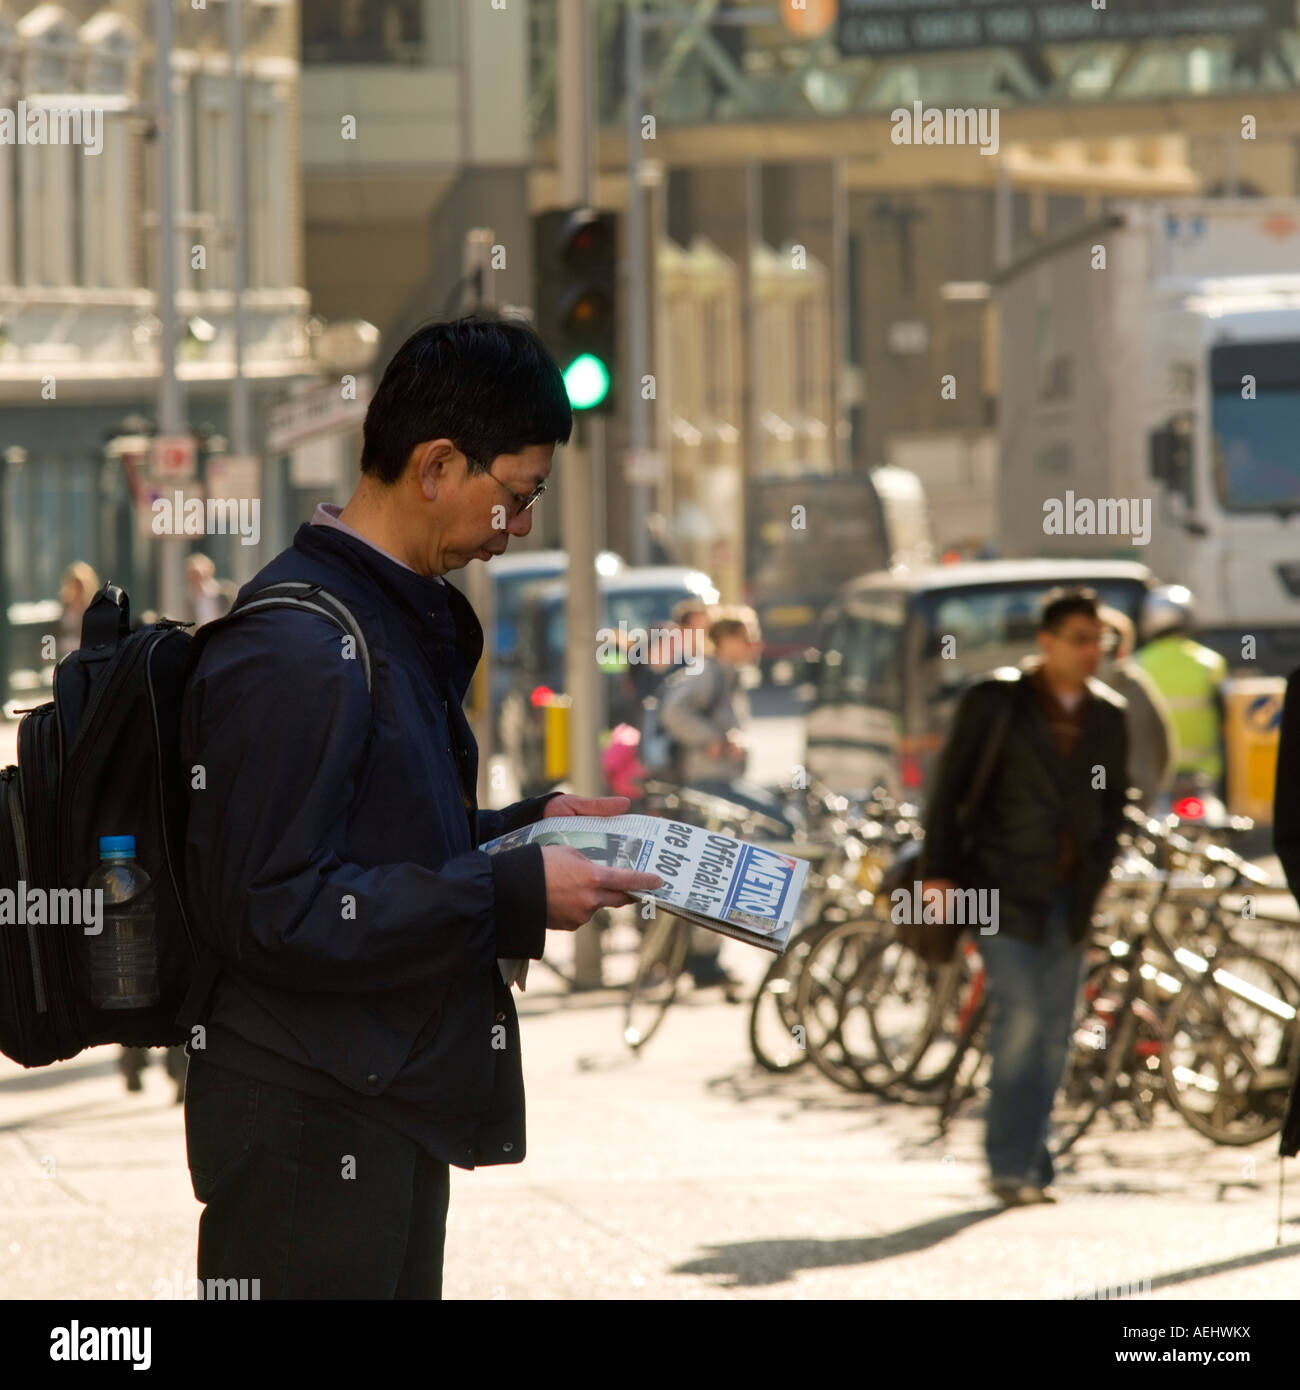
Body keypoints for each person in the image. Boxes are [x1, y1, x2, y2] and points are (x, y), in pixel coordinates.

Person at [178, 313, 664, 1299]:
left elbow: (390, 845)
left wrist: (529, 826)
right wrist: (510, 893)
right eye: (516, 496)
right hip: (306, 1125)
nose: (520, 527)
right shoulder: (301, 648)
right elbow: (276, 906)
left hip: (378, 1096)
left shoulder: (393, 617)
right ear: (438, 465)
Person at [918, 587, 1128, 1206]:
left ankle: (1034, 1159)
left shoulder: (1108, 715)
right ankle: (1009, 1162)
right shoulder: (998, 700)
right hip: (996, 886)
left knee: (1057, 1031)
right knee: (1023, 1018)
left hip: (1071, 893)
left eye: (1101, 641)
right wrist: (938, 872)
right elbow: (949, 788)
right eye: (1080, 640)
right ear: (1047, 641)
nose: (1093, 652)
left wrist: (1101, 867)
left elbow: (1114, 804)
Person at [1133, 585, 1226, 802]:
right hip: (1203, 774)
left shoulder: (1139, 663)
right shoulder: (1211, 663)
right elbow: (1225, 717)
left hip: (1157, 772)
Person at [1094, 605, 1175, 813]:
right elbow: (1162, 737)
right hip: (1139, 794)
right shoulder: (1135, 684)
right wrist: (1155, 786)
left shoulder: (1074, 685)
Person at [57, 561, 99, 660]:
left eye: (78, 585)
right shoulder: (65, 605)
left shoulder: (90, 607)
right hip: (64, 651)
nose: (75, 589)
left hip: (82, 651)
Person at [185, 553, 230, 628]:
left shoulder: (225, 592)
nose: (196, 578)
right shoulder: (189, 599)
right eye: (192, 574)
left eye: (198, 574)